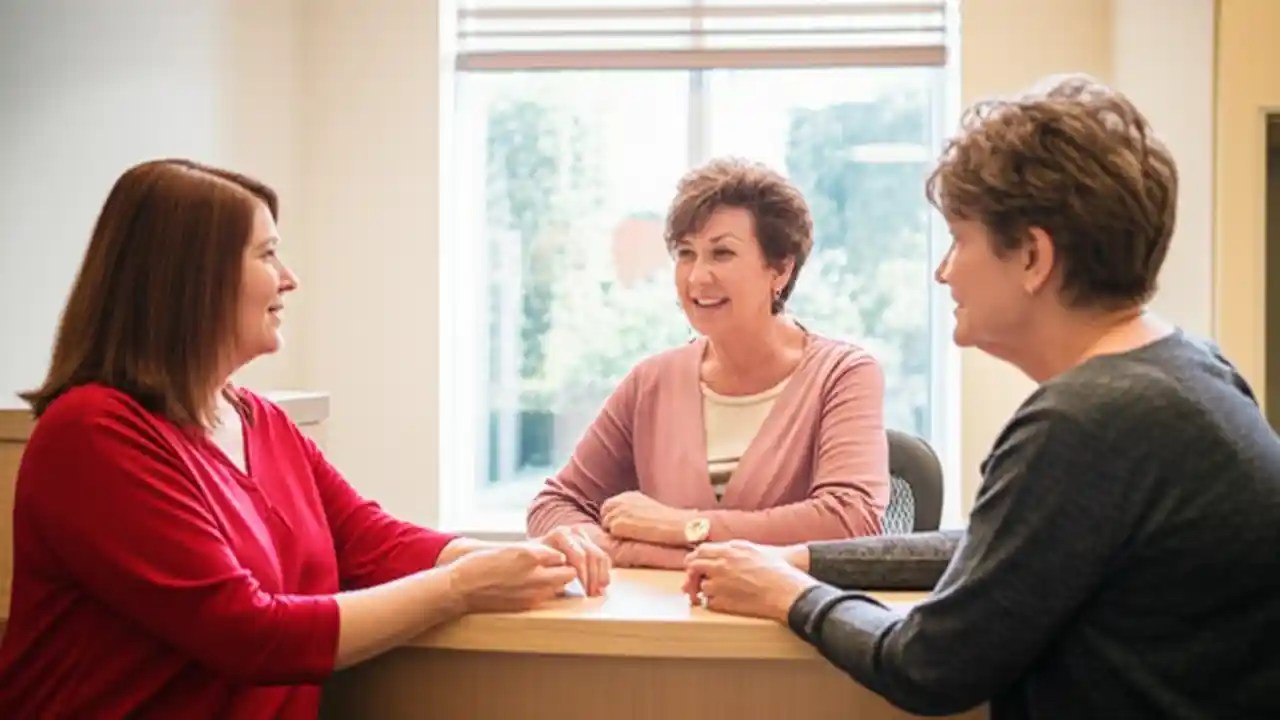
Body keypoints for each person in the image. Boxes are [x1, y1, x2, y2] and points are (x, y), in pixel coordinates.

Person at [683, 75, 1280, 718]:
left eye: (959, 239)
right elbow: (1000, 551)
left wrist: (788, 593)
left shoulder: (1087, 422)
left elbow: (928, 664)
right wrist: (804, 557)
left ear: (1032, 256)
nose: (944, 270)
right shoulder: (1185, 369)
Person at [0, 159, 612, 719]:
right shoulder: (93, 435)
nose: (288, 279)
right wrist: (459, 587)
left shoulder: (262, 421)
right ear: (193, 280)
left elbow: (371, 542)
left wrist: (520, 558)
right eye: (267, 255)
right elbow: (247, 634)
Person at [527, 158, 891, 570]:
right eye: (686, 253)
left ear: (780, 268)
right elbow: (555, 504)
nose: (697, 277)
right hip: (665, 626)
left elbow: (850, 522)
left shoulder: (842, 374)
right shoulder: (653, 381)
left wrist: (683, 527)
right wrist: (613, 548)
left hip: (785, 627)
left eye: (722, 253)